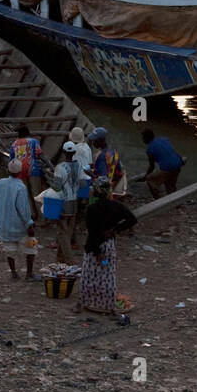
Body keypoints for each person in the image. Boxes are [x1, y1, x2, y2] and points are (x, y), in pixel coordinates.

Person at [78, 176, 137, 313]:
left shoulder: (91, 209)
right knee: (107, 274)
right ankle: (108, 305)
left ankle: (84, 303)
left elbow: (92, 233)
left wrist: (97, 252)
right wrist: (116, 229)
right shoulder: (116, 206)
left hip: (93, 248)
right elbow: (132, 219)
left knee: (89, 276)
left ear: (96, 191)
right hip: (108, 246)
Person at [0, 158, 38, 281]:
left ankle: (14, 274)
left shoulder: (0, 183)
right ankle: (29, 274)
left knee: (10, 249)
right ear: (21, 171)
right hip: (19, 225)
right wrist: (29, 224)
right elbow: (23, 209)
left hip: (3, 224)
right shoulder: (20, 187)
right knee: (31, 247)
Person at [52, 141, 84, 263]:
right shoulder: (80, 166)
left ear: (64, 152)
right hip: (74, 203)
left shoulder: (60, 167)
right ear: (74, 152)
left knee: (62, 233)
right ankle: (60, 258)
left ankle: (70, 260)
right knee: (68, 232)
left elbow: (57, 187)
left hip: (63, 203)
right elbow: (83, 184)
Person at [134, 128, 185, 198]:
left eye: (143, 138)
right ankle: (173, 201)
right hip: (177, 165)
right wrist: (180, 161)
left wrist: (145, 177)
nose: (142, 140)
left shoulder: (149, 149)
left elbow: (152, 166)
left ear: (146, 138)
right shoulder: (164, 140)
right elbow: (173, 152)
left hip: (168, 168)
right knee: (170, 185)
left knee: (150, 179)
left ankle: (159, 199)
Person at [9, 123, 45, 208]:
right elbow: (41, 155)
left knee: (26, 193)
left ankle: (32, 215)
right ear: (28, 133)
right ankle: (41, 216)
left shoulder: (14, 144)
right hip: (32, 169)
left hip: (19, 170)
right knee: (37, 194)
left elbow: (11, 160)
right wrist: (51, 166)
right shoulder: (33, 141)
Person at [89, 127, 127, 197]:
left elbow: (102, 180)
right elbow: (118, 172)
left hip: (103, 192)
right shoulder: (113, 152)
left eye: (94, 140)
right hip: (113, 186)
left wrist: (90, 173)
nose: (93, 142)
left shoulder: (101, 156)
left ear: (100, 141)